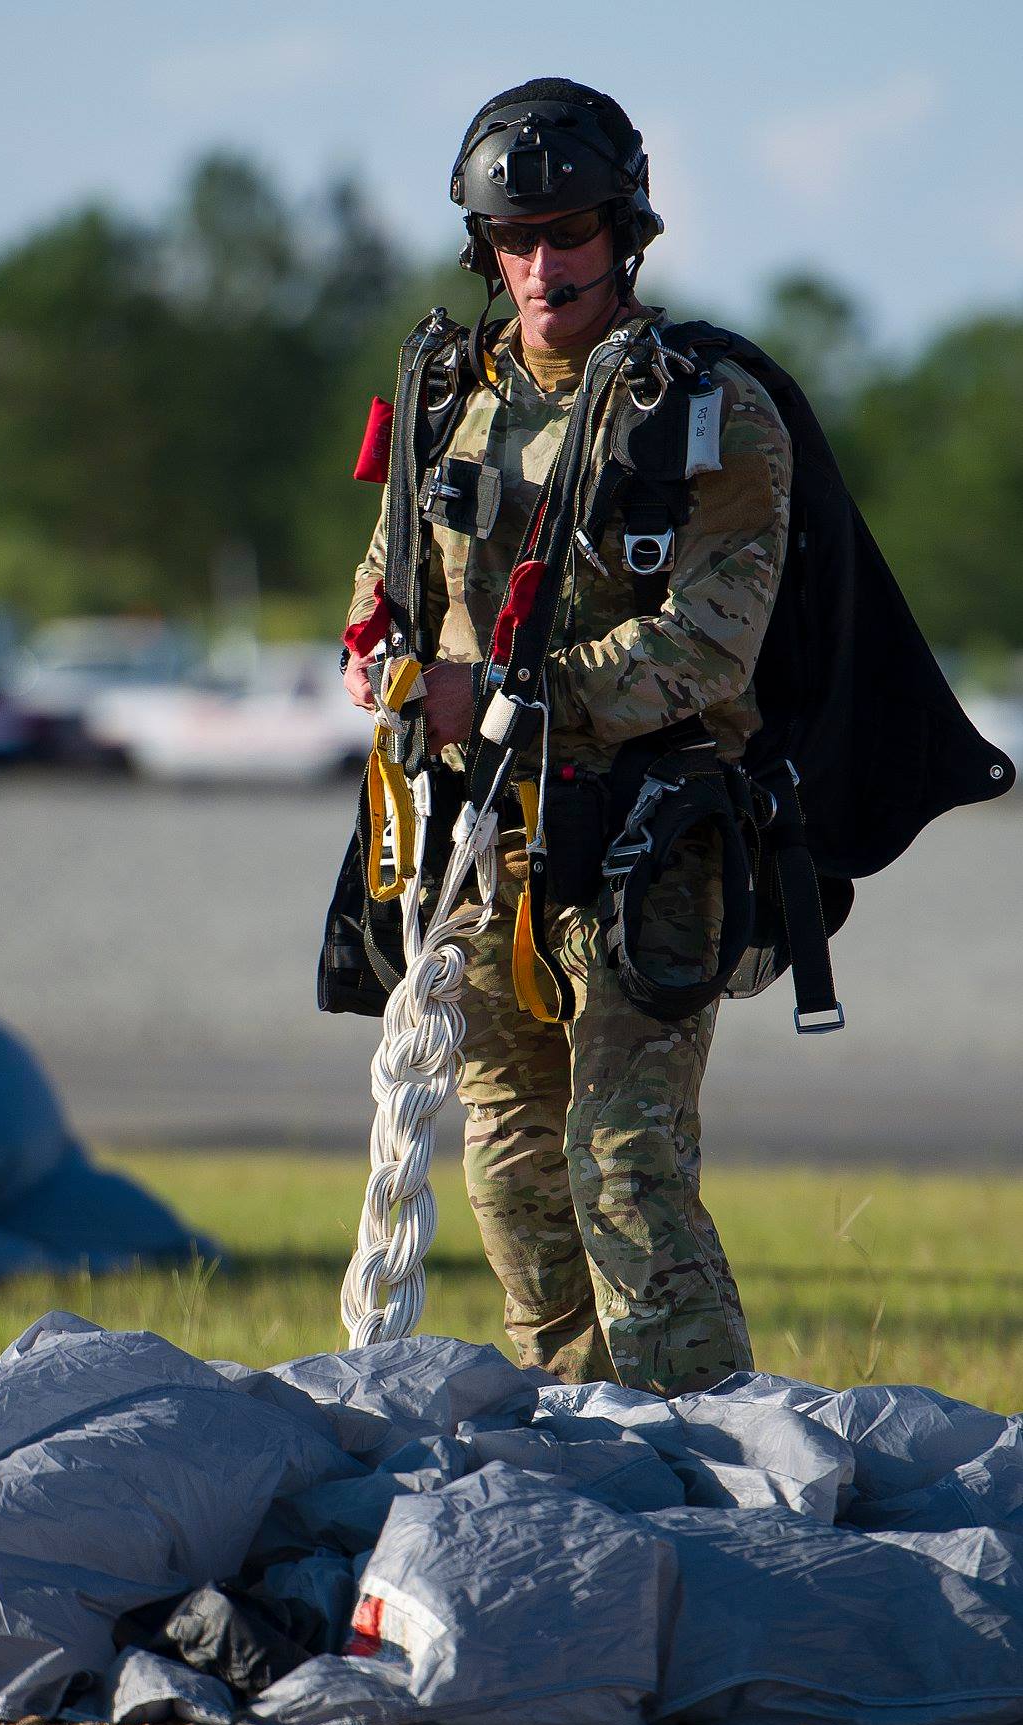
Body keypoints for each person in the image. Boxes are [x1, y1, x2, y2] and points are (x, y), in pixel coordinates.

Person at [340, 79, 793, 1396]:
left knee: (622, 1165)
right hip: (485, 844)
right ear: (483, 247)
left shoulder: (709, 412)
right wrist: (383, 662)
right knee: (515, 1170)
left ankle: (703, 1456)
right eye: (515, 237)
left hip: (653, 837)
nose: (544, 264)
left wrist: (498, 695)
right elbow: (385, 585)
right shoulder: (449, 396)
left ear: (624, 231)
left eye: (571, 230)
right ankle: (581, 1448)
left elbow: (710, 644)